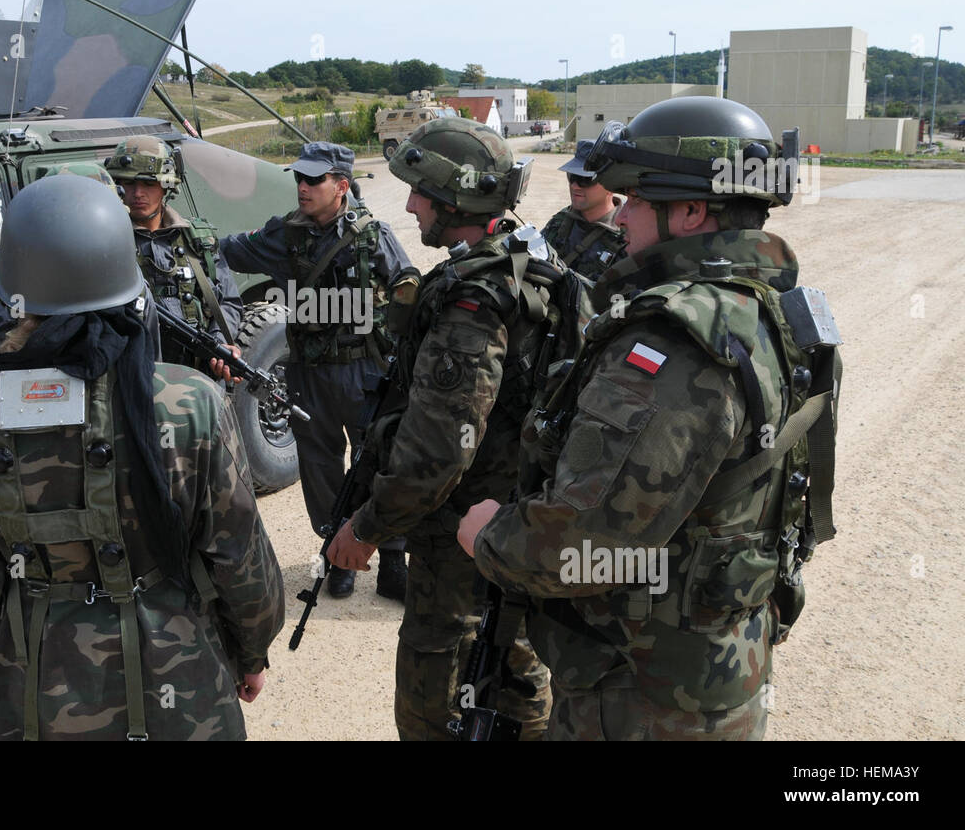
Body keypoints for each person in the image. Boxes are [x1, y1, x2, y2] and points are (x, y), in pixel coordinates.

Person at [458, 96, 842, 740]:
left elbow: (587, 542)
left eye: (637, 197)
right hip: (722, 667)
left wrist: (489, 537)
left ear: (691, 211)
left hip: (638, 696)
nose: (621, 213)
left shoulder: (675, 341)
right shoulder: (780, 316)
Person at [0, 173, 285, 741]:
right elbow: (238, 554)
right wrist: (252, 651)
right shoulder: (190, 401)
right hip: (184, 685)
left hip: (39, 689)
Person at [326, 117, 582, 740]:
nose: (410, 205)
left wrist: (367, 528)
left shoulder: (473, 301)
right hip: (517, 516)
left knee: (436, 697)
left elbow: (438, 451)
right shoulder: (534, 263)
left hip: (461, 537)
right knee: (516, 664)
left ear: (455, 199)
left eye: (421, 192)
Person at [219, 141, 413, 600]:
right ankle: (338, 556)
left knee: (379, 460)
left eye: (314, 180)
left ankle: (391, 559)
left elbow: (406, 286)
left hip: (367, 372)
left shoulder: (373, 235)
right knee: (320, 466)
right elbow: (223, 253)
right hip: (310, 373)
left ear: (341, 186)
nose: (302, 187)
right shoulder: (284, 235)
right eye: (299, 179)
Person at [104, 136, 244, 383]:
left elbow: (228, 301)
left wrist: (219, 342)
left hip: (197, 377)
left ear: (166, 184)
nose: (137, 193)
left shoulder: (198, 239)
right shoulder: (105, 240)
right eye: (128, 183)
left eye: (148, 183)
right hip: (131, 377)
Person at [540, 139, 626, 283]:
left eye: (585, 179)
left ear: (611, 184)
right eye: (572, 177)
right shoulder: (561, 222)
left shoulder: (628, 237)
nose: (574, 186)